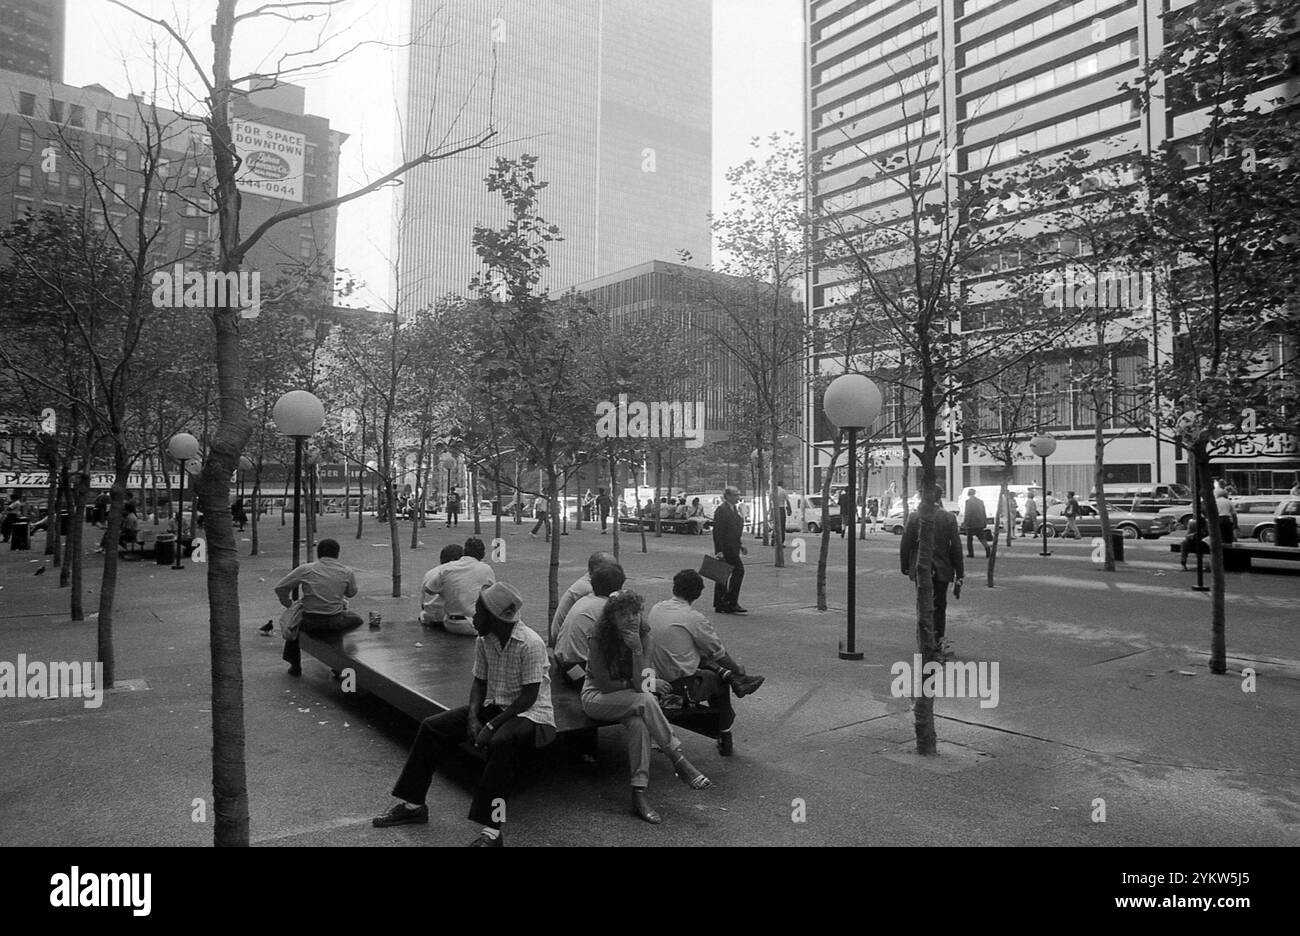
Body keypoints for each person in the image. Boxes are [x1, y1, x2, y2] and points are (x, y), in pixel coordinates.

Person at [373, 581, 555, 847]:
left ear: (494, 617)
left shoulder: (531, 643)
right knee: (432, 727)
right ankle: (414, 805)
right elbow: (479, 682)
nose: (473, 616)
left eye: (478, 611)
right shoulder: (485, 639)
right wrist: (472, 717)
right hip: (500, 706)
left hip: (533, 715)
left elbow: (529, 697)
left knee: (500, 743)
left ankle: (492, 832)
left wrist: (490, 726)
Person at [580, 590, 711, 825]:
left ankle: (638, 794)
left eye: (635, 613)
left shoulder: (644, 638)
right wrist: (633, 683)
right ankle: (677, 759)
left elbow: (643, 684)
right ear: (611, 619)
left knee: (639, 723)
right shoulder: (598, 638)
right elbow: (605, 686)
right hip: (596, 698)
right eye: (623, 614)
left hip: (631, 696)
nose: (631, 619)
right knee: (645, 701)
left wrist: (636, 649)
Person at [648, 570, 765, 757]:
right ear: (698, 594)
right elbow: (719, 653)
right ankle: (724, 731)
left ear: (674, 587)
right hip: (677, 685)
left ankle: (737, 681)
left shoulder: (657, 608)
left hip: (655, 676)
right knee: (718, 680)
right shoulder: (693, 618)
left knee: (700, 655)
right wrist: (737, 668)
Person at [274, 538, 366, 677]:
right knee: (357, 620)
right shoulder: (347, 572)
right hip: (335, 621)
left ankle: (295, 665)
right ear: (337, 554)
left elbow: (280, 587)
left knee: (294, 624)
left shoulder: (306, 569)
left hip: (309, 622)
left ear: (319, 553)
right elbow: (351, 593)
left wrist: (289, 604)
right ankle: (342, 662)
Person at [900, 485, 965, 660]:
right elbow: (956, 547)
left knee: (922, 605)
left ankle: (924, 643)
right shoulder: (948, 517)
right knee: (940, 607)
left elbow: (905, 544)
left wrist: (905, 565)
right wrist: (960, 572)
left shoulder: (914, 517)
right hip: (943, 569)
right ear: (939, 497)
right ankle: (937, 642)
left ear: (922, 496)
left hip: (921, 569)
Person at [554, 563, 626, 686]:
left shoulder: (586, 599)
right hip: (578, 673)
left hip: (564, 666)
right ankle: (650, 689)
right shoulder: (608, 608)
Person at [549, 550, 618, 646]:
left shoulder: (587, 582)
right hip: (563, 642)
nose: (615, 571)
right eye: (611, 567)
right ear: (596, 568)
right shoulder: (589, 589)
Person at [711, 486, 747, 614]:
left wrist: (740, 545)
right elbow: (718, 532)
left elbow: (733, 530)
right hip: (726, 548)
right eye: (736, 495)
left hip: (733, 547)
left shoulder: (733, 509)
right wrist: (719, 551)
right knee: (731, 573)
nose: (738, 497)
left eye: (738, 494)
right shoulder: (722, 510)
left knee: (725, 575)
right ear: (728, 496)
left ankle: (725, 602)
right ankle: (728, 602)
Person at [961, 488, 990, 557]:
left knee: (969, 539)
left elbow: (967, 513)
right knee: (981, 537)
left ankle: (971, 553)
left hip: (971, 523)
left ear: (968, 494)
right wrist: (984, 522)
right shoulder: (980, 501)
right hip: (979, 523)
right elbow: (983, 512)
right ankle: (987, 548)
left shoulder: (968, 502)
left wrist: (965, 522)